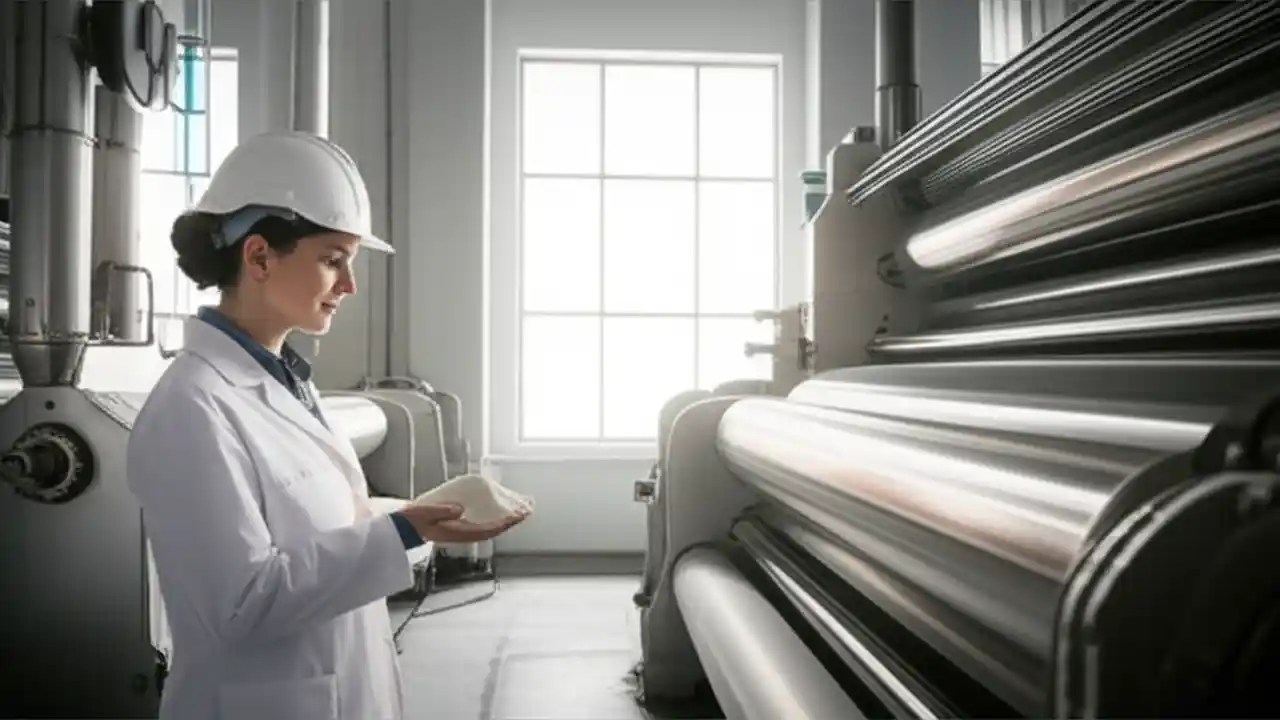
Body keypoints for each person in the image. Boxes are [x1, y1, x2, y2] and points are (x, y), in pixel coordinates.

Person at [125, 131, 528, 720]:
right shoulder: (192, 409)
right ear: (259, 256)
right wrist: (405, 532)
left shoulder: (289, 382)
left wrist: (425, 519)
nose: (350, 285)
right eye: (332, 260)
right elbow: (241, 605)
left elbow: (330, 528)